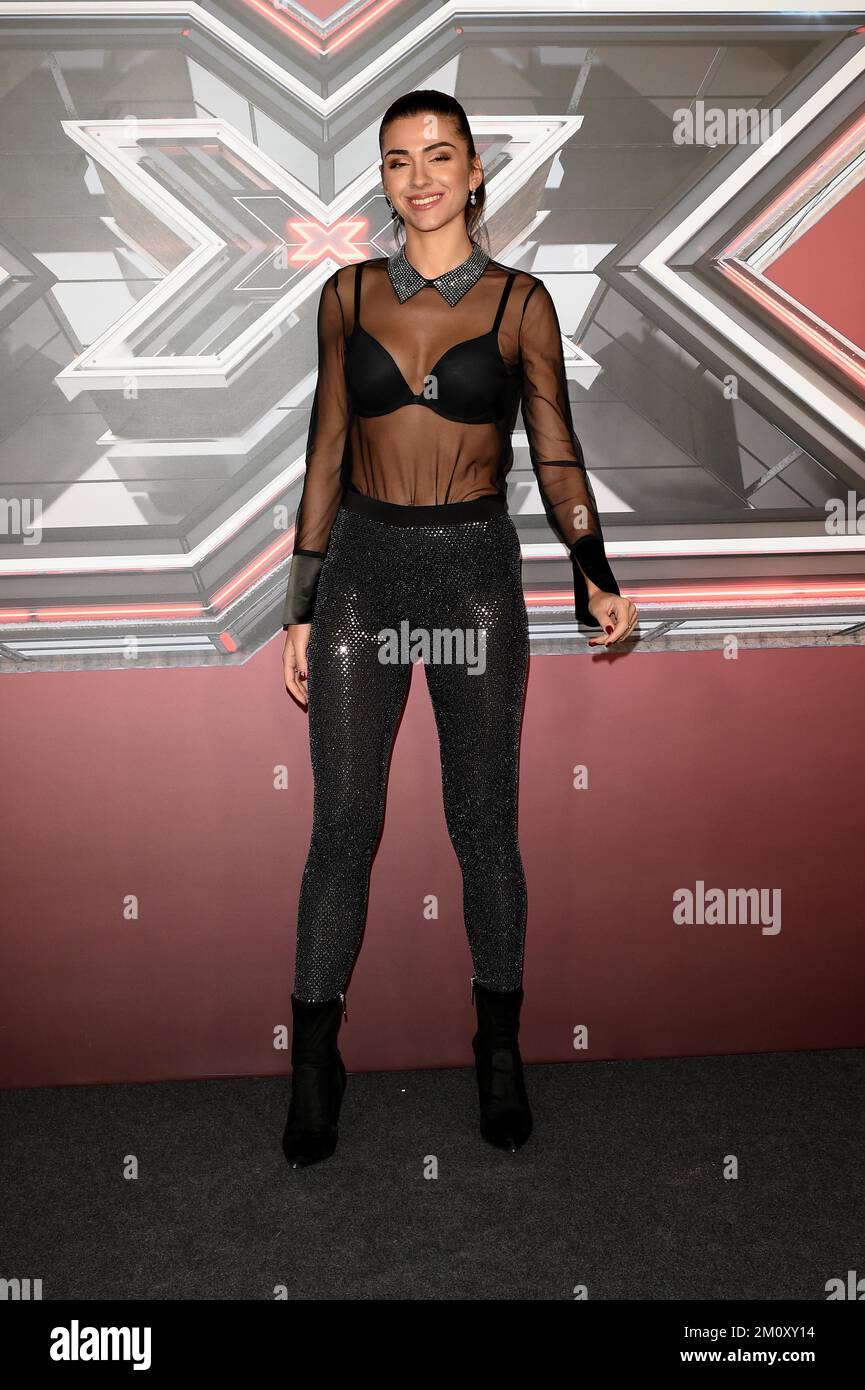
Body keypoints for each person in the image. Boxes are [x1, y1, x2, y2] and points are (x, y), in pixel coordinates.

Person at [279, 89, 638, 1167]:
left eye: (439, 155)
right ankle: (312, 1062)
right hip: (362, 577)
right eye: (398, 160)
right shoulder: (344, 297)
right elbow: (325, 452)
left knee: (483, 824)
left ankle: (497, 1053)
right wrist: (299, 603)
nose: (420, 176)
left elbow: (556, 452)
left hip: (475, 576)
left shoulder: (522, 301)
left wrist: (594, 572)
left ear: (475, 171)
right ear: (382, 179)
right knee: (344, 828)